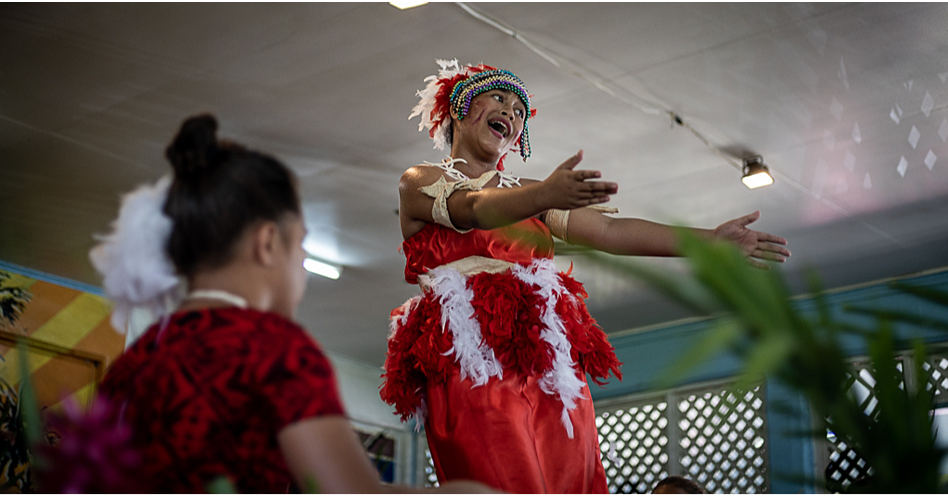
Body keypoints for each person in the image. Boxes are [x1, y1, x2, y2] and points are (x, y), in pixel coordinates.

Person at [380, 60, 790, 496]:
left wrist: (709, 240)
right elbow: (472, 209)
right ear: (461, 106)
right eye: (500, 99)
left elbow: (610, 231)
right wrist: (543, 195)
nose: (512, 114)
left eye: (520, 111)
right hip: (471, 356)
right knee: (504, 480)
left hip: (546, 360)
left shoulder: (533, 194)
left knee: (570, 481)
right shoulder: (421, 181)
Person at [91, 114, 495, 496]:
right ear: (267, 243)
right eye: (299, 243)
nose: (300, 266)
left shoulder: (134, 367)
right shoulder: (274, 359)